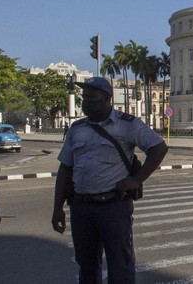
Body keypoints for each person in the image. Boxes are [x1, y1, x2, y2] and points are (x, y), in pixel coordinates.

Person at [52, 76, 168, 284]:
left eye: (92, 97)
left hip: (113, 207)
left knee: (120, 265)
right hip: (81, 208)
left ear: (107, 98)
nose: (85, 101)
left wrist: (136, 180)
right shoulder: (77, 129)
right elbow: (65, 168)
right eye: (84, 97)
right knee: (86, 265)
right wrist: (57, 207)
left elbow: (159, 148)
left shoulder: (127, 125)